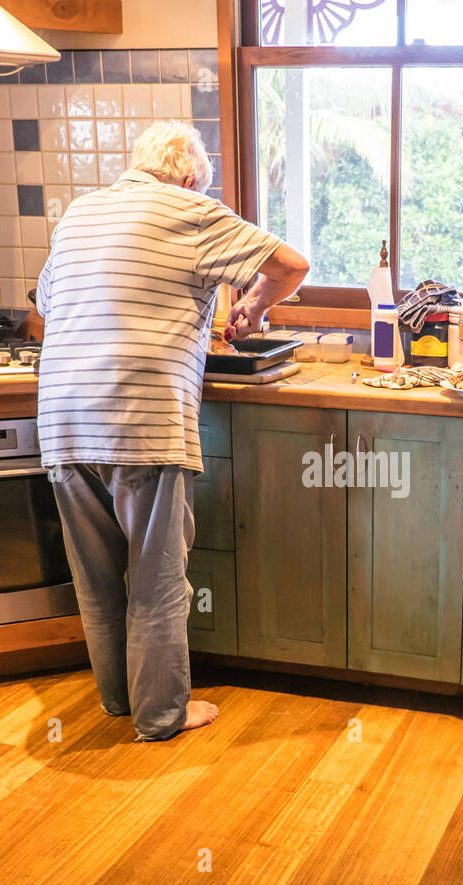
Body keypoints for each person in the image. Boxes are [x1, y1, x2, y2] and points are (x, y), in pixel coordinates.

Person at [35, 121, 309, 740]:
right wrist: (255, 305)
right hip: (139, 418)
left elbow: (48, 305)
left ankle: (117, 700)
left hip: (61, 420)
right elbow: (292, 265)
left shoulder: (80, 212)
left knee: (97, 575)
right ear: (189, 179)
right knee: (157, 577)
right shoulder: (192, 209)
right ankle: (160, 714)